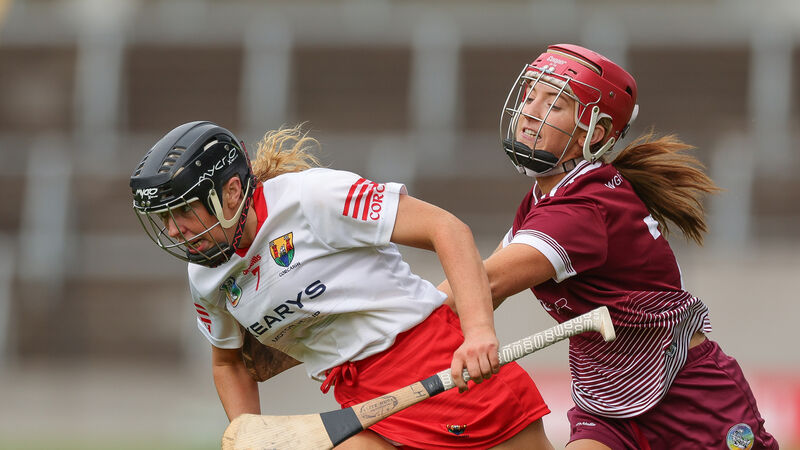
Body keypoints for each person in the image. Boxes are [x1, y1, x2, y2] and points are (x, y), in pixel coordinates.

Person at [129, 121, 554, 449]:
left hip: (441, 367)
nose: (174, 230)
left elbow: (447, 229)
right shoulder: (205, 276)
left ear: (232, 190)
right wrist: (249, 434)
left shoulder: (311, 199)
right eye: (164, 218)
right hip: (364, 404)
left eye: (183, 210)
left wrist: (479, 331)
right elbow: (230, 363)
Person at [440, 43, 778, 449]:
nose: (531, 109)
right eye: (531, 94)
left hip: (687, 393)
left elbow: (485, 284)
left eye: (555, 103)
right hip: (607, 400)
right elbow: (470, 291)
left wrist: (380, 323)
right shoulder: (545, 200)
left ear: (594, 133)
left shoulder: (584, 207)